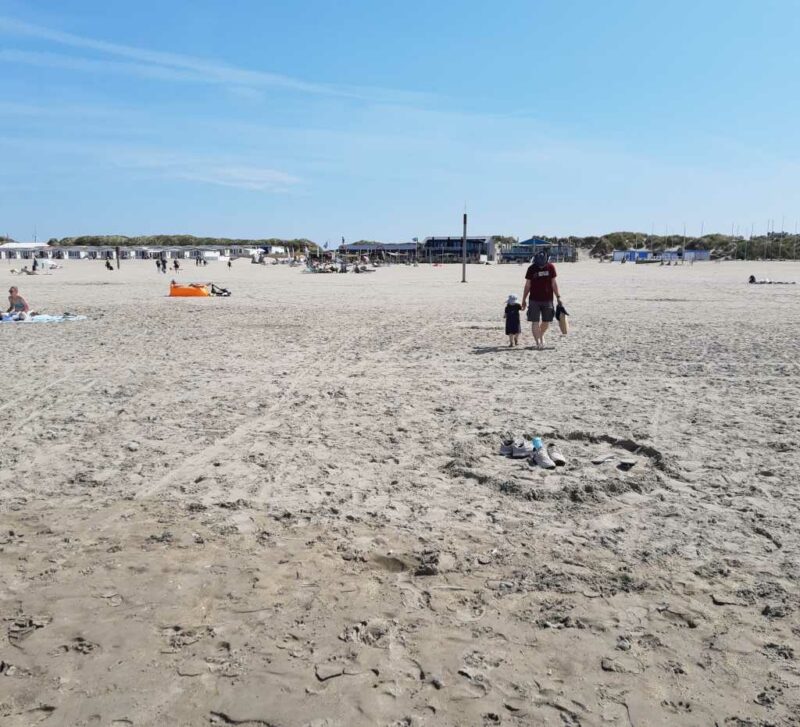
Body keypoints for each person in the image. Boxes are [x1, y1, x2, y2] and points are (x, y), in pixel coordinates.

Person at [521, 251, 562, 350]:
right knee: (535, 321)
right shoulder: (531, 269)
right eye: (538, 265)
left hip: (548, 299)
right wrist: (524, 299)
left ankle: (541, 335)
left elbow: (554, 283)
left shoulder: (551, 267)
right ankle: (538, 342)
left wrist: (558, 297)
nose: (540, 267)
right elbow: (527, 285)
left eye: (542, 265)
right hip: (534, 300)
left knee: (546, 321)